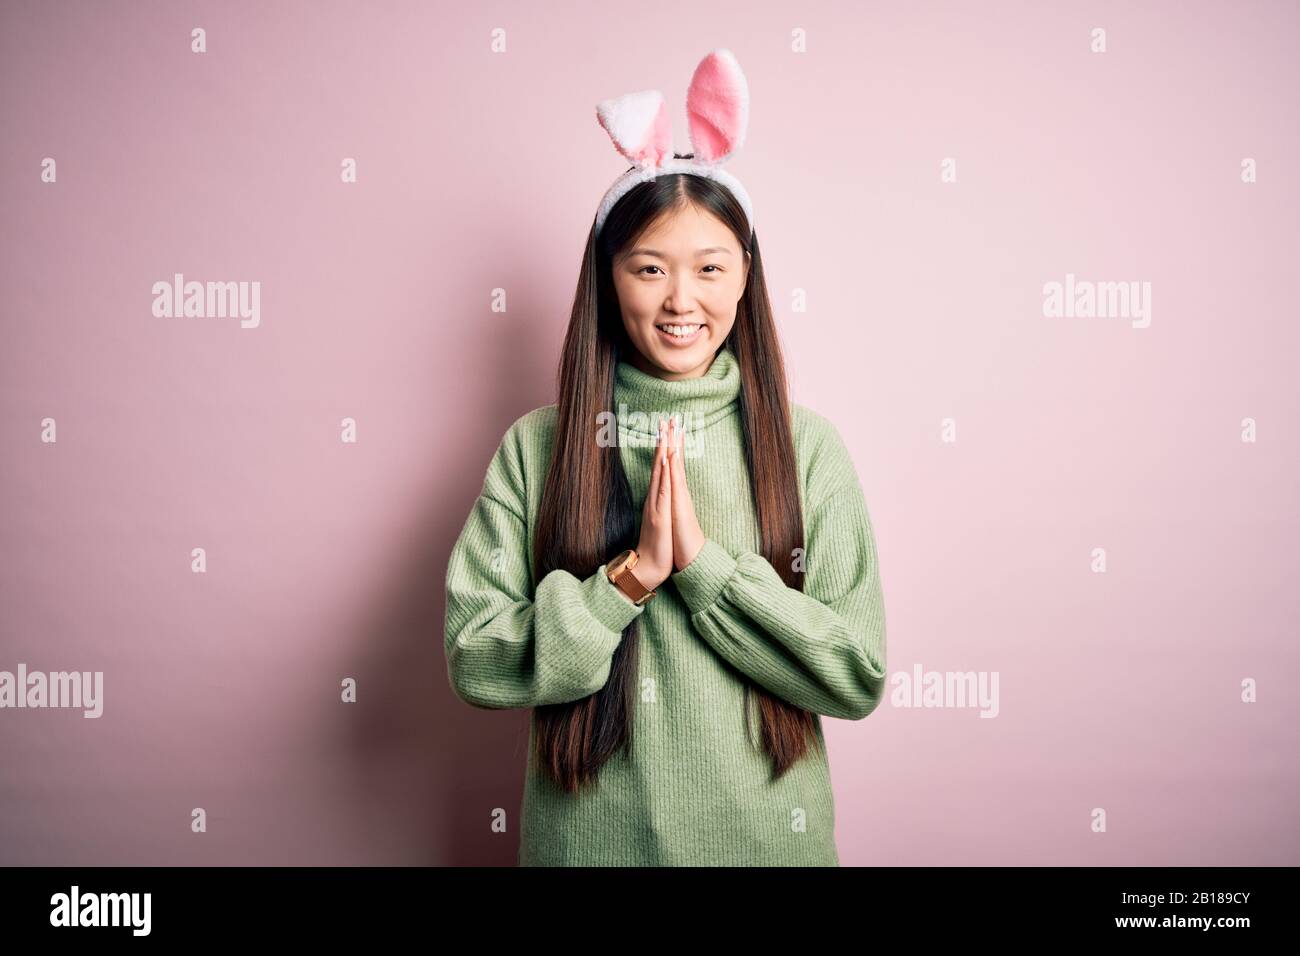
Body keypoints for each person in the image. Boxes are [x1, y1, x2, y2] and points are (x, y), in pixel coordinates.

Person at [443, 49, 886, 866]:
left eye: (710, 268)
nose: (683, 300)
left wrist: (705, 569)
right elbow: (475, 657)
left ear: (746, 276)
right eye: (649, 268)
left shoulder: (807, 446)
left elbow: (856, 672)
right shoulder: (537, 448)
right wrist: (628, 581)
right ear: (609, 280)